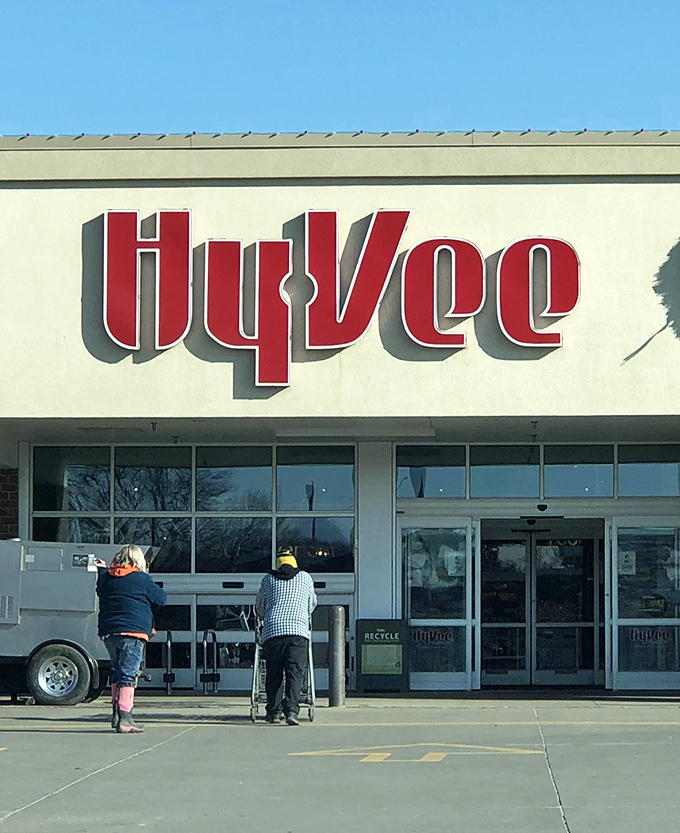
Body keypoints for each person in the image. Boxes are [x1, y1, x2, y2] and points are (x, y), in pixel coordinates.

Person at [95, 545, 167, 734]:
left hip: (109, 633)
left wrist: (102, 569)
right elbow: (161, 599)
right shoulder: (141, 578)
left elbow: (100, 588)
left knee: (117, 672)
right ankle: (126, 718)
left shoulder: (107, 578)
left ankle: (116, 716)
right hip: (133, 632)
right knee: (128, 674)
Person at [255, 548, 317, 725]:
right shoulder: (305, 578)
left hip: (273, 631)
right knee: (294, 673)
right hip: (298, 631)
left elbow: (260, 606)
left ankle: (273, 712)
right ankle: (292, 711)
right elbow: (311, 603)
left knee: (274, 673)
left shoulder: (268, 580)